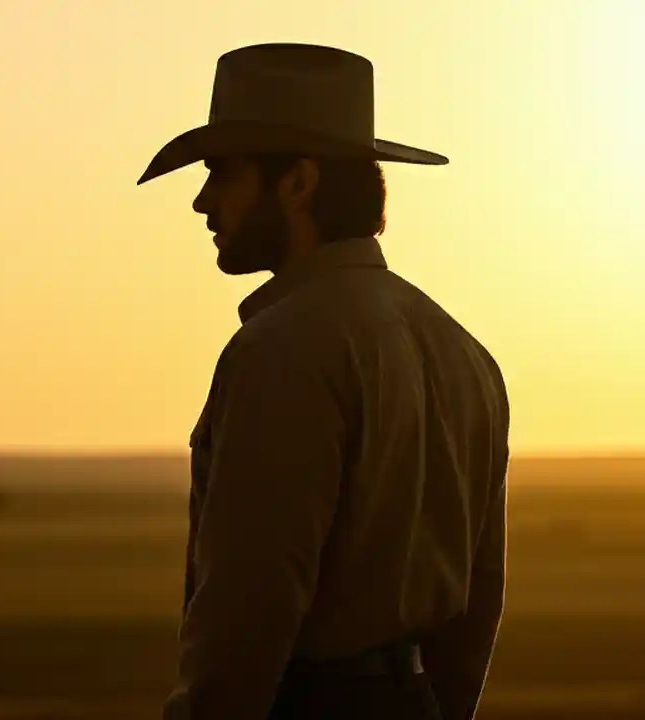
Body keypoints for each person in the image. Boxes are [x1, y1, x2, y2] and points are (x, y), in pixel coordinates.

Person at [137, 44, 511, 720]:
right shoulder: (465, 355)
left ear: (299, 185)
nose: (201, 200)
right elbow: (477, 607)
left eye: (223, 173)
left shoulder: (281, 351)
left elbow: (249, 610)